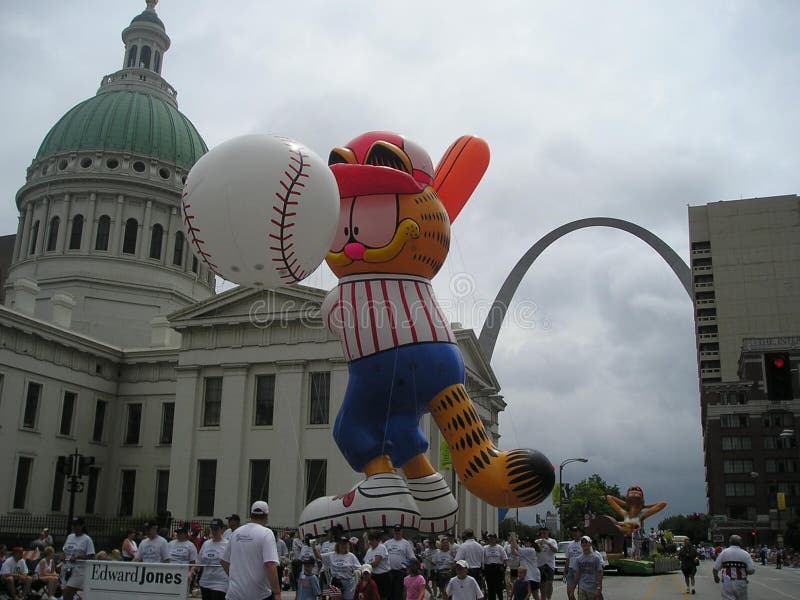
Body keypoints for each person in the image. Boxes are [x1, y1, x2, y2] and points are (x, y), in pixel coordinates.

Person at [221, 500, 281, 600]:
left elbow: (224, 561)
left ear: (251, 515)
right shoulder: (266, 533)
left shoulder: (236, 533)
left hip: (235, 594)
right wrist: (277, 592)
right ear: (266, 516)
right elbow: (270, 564)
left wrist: (236, 578)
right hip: (259, 595)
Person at [316, 536, 362, 600]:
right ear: (338, 545)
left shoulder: (351, 556)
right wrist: (313, 547)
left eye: (345, 544)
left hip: (348, 582)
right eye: (342, 544)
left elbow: (359, 568)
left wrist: (357, 572)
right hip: (336, 582)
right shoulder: (332, 555)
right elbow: (318, 556)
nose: (344, 546)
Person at [62, 516, 96, 600]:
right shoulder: (70, 536)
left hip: (79, 570)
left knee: (67, 593)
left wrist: (78, 557)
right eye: (73, 525)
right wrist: (63, 556)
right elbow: (65, 550)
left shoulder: (87, 539)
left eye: (76, 525)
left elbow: (91, 555)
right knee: (66, 593)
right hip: (67, 569)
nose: (74, 527)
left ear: (82, 526)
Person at [713, 535, 755, 600]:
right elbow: (751, 570)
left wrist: (716, 577)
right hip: (741, 582)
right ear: (740, 543)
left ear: (730, 542)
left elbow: (715, 568)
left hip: (727, 582)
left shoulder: (724, 552)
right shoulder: (745, 554)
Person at [198, 518, 229, 600]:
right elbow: (199, 561)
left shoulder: (227, 544)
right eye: (212, 529)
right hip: (205, 581)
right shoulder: (206, 544)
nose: (214, 531)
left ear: (222, 529)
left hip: (221, 583)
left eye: (216, 529)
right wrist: (192, 571)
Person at [384, 525, 416, 600]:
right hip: (389, 571)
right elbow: (381, 554)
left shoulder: (406, 543)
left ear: (401, 532)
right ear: (393, 532)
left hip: (401, 572)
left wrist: (409, 569)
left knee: (398, 592)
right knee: (389, 592)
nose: (397, 533)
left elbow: (412, 557)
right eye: (395, 531)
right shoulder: (387, 543)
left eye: (398, 531)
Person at [510, 536, 541, 600]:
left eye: (527, 542)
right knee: (525, 595)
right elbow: (514, 552)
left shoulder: (531, 550)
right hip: (527, 577)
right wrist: (512, 543)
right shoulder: (525, 551)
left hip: (532, 577)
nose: (525, 543)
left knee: (535, 595)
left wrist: (513, 537)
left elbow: (517, 547)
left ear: (531, 543)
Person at [364, 530, 391, 600]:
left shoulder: (381, 547)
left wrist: (366, 566)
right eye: (369, 540)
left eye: (372, 540)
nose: (370, 542)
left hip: (383, 577)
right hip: (373, 576)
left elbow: (376, 563)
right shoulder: (369, 551)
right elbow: (365, 562)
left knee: (383, 597)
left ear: (377, 540)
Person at [534, 527, 557, 600]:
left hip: (550, 565)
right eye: (542, 533)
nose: (543, 534)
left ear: (548, 533)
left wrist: (548, 543)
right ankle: (543, 598)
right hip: (540, 565)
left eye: (545, 533)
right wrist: (540, 544)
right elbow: (535, 551)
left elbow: (555, 550)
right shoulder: (537, 541)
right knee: (542, 584)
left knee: (549, 583)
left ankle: (549, 598)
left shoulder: (552, 541)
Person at [481, 533, 506, 600]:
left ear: (495, 539)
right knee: (490, 588)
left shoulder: (500, 548)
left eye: (493, 538)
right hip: (488, 568)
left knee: (499, 588)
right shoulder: (485, 548)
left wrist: (507, 567)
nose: (491, 540)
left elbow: (505, 559)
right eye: (490, 538)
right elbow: (482, 559)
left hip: (497, 569)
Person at [563, 527, 583, 600]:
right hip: (571, 569)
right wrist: (565, 573)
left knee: (581, 592)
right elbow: (567, 559)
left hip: (581, 570)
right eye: (573, 531)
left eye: (576, 531)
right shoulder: (570, 544)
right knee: (569, 592)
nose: (574, 533)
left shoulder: (584, 543)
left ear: (580, 532)